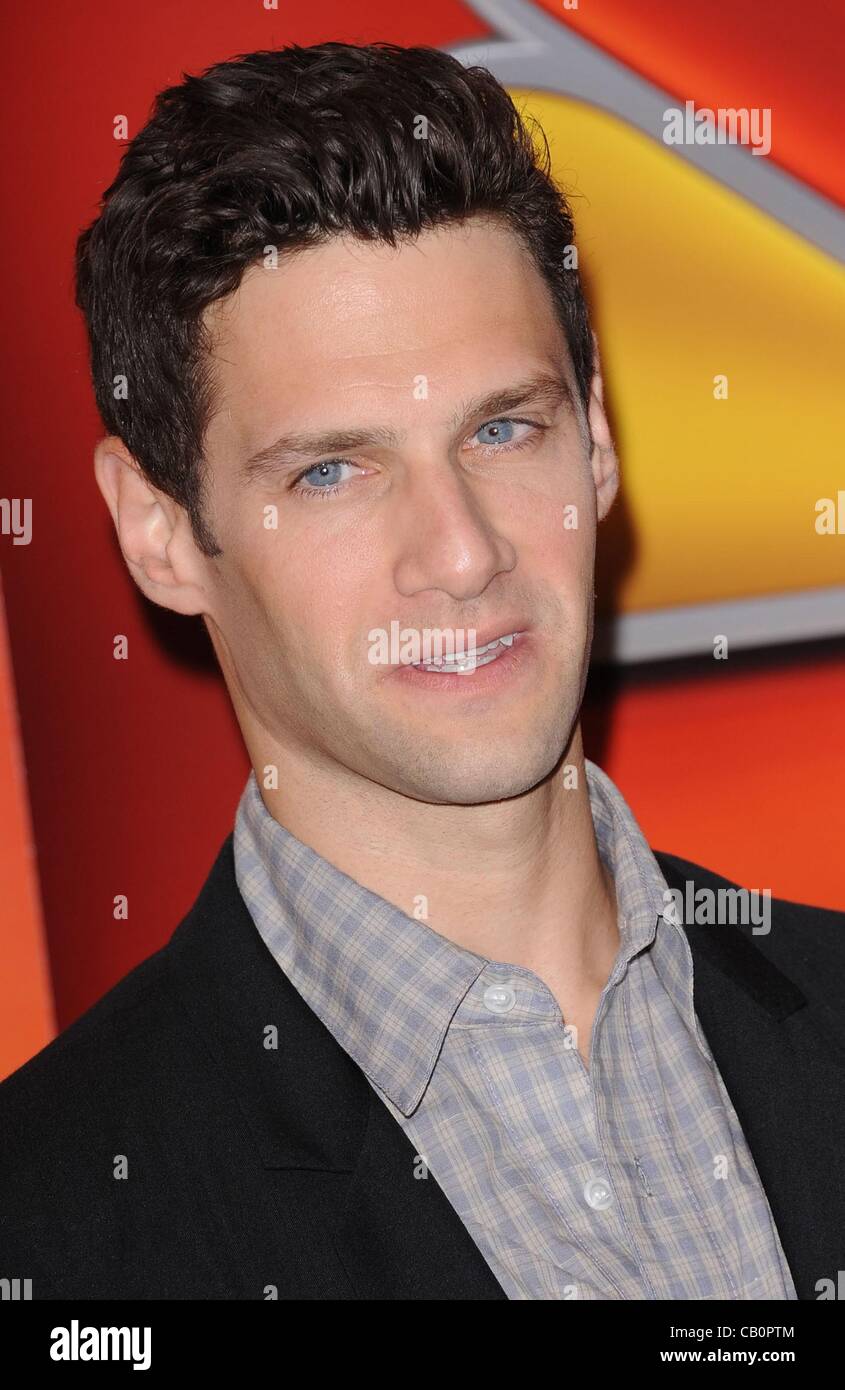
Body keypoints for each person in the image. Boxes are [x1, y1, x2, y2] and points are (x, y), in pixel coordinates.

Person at [1, 41, 843, 1302]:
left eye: (502, 428)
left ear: (597, 438)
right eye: (332, 471)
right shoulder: (52, 1227)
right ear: (158, 529)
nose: (461, 553)